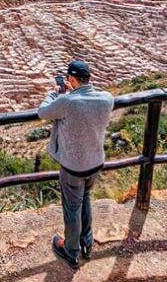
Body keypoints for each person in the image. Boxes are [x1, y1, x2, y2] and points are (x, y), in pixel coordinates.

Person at [38, 60, 114, 270]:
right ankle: (87, 245)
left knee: (72, 208)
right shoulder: (107, 99)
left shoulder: (67, 102)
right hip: (96, 163)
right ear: (89, 78)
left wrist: (56, 94)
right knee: (86, 199)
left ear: (71, 80)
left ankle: (71, 251)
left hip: (73, 167)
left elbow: (43, 112)